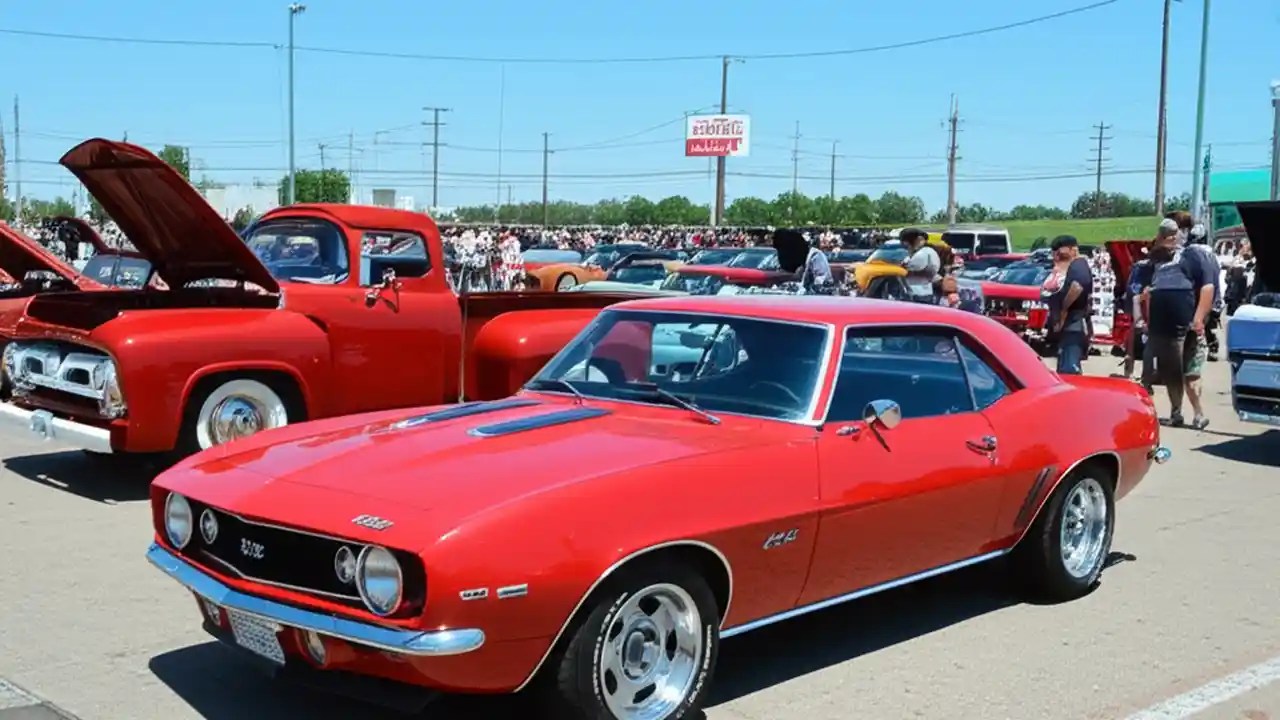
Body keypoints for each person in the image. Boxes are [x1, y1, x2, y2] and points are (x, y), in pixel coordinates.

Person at [1141, 218, 1218, 429]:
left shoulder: (1193, 255)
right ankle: (1176, 412)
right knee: (1171, 371)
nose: (1170, 238)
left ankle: (1199, 413)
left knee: (1191, 373)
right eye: (1164, 235)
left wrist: (1199, 318)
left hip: (1189, 325)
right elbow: (1144, 293)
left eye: (1173, 234)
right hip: (1161, 326)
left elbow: (1207, 287)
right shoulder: (1155, 262)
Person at [1044, 235, 1093, 374]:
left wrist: (1063, 310)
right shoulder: (1073, 265)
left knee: (1069, 368)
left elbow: (1077, 287)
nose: (1057, 253)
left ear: (1072, 249)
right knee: (1065, 364)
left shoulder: (1078, 265)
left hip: (1073, 322)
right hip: (1070, 323)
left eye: (1059, 250)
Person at [902, 228, 940, 302]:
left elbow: (913, 267)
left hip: (918, 292)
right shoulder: (924, 252)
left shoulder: (924, 253)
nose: (905, 245)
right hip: (923, 291)